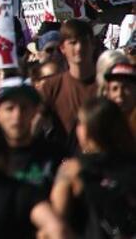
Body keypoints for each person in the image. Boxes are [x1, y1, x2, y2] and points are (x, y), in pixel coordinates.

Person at [50, 97, 136, 238]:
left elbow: (56, 226)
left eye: (80, 123)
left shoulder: (72, 170)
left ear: (88, 129)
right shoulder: (131, 163)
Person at [0, 77, 65, 192]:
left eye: (24, 108)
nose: (17, 116)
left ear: (35, 112)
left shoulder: (55, 155)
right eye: (10, 108)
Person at [37, 19, 99, 136]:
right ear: (62, 48)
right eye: (73, 42)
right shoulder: (52, 87)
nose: (79, 48)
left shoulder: (105, 84)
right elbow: (35, 126)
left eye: (84, 42)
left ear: (93, 45)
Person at [102, 62, 136, 134]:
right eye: (115, 88)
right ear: (108, 94)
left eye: (126, 87)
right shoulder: (101, 124)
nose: (120, 94)